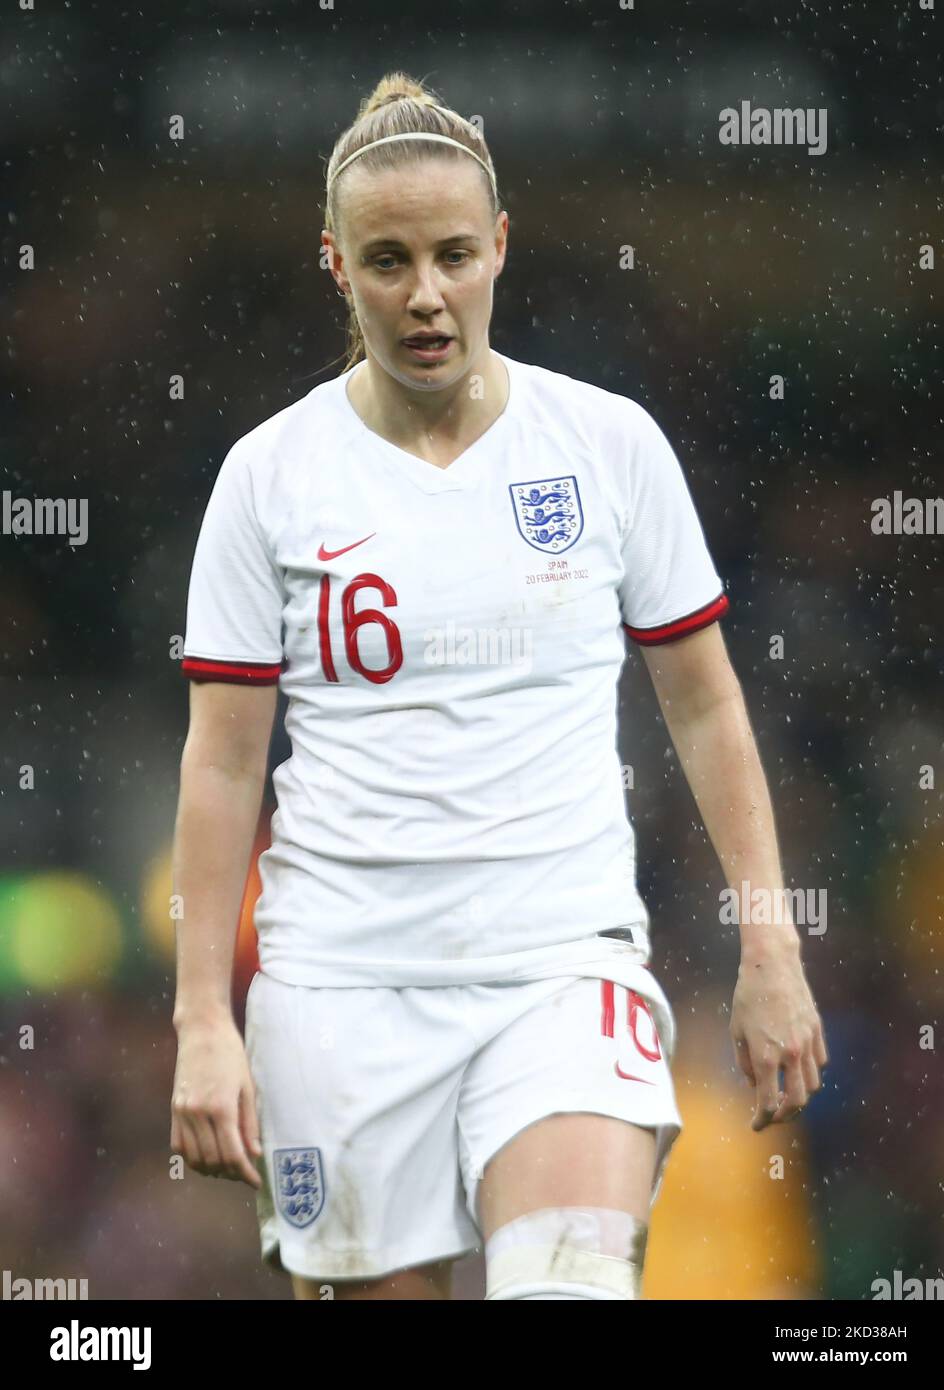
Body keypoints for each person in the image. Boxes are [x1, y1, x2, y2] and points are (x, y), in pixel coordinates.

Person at [170, 70, 828, 1302]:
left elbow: (704, 703)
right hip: (337, 992)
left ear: (501, 248)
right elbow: (222, 759)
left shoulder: (608, 445)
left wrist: (770, 943)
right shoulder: (269, 477)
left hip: (559, 967)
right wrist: (203, 1018)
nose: (425, 293)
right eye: (388, 261)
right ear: (336, 264)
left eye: (454, 255)